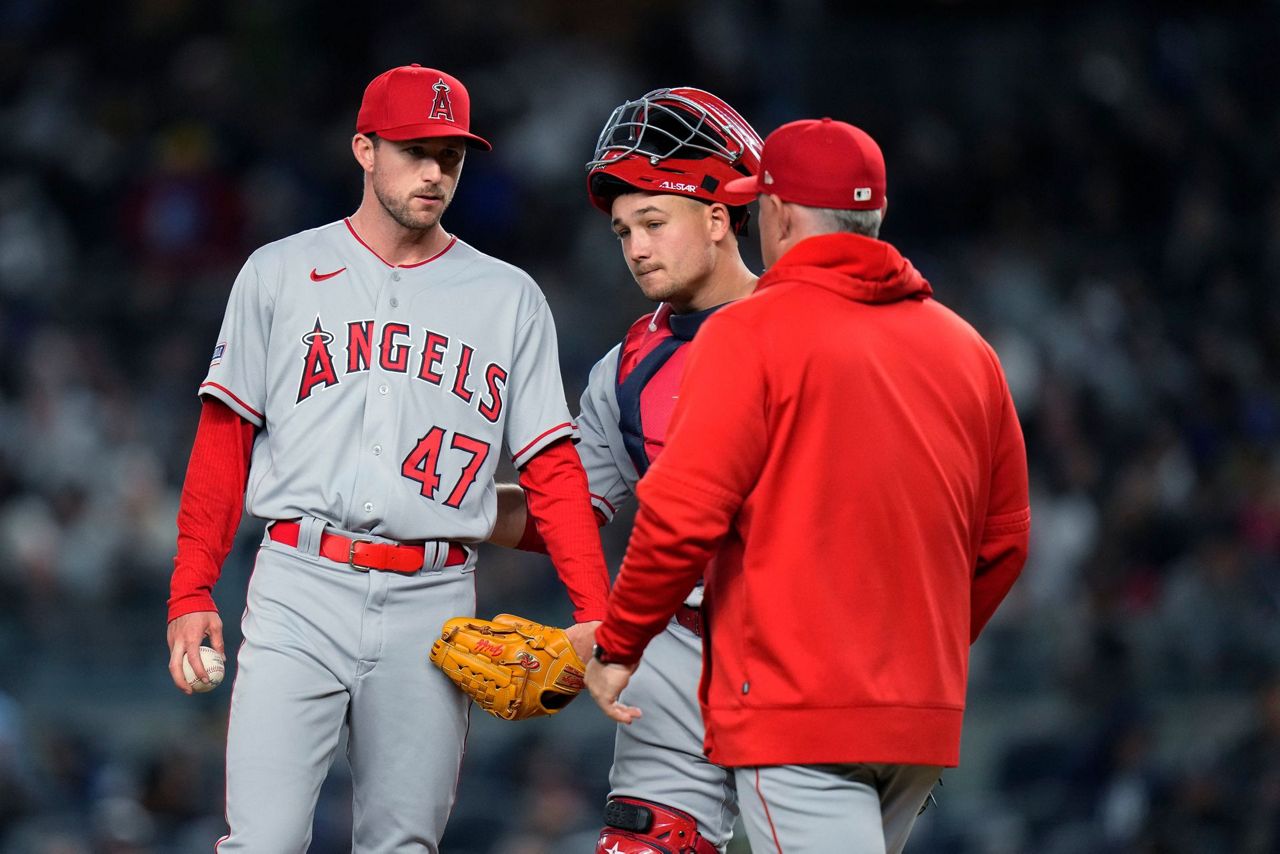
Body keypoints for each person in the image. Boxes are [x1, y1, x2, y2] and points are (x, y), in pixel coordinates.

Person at [164, 63, 611, 853]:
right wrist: (191, 586)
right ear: (364, 149)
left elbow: (552, 470)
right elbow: (223, 439)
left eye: (451, 154)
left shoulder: (508, 297)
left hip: (432, 598)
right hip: (300, 584)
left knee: (403, 845)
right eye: (414, 150)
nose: (435, 171)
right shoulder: (280, 271)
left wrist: (595, 615)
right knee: (260, 842)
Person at [585, 117, 1032, 854]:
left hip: (795, 706)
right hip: (917, 717)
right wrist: (912, 656)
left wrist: (619, 645)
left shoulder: (750, 332)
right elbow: (1006, 542)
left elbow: (678, 516)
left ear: (778, 212)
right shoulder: (966, 348)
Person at [488, 87, 763, 852]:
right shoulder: (624, 367)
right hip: (673, 645)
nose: (636, 248)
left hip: (800, 650)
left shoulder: (812, 330)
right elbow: (564, 511)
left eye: (653, 222)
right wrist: (452, 503)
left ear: (717, 217)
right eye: (622, 231)